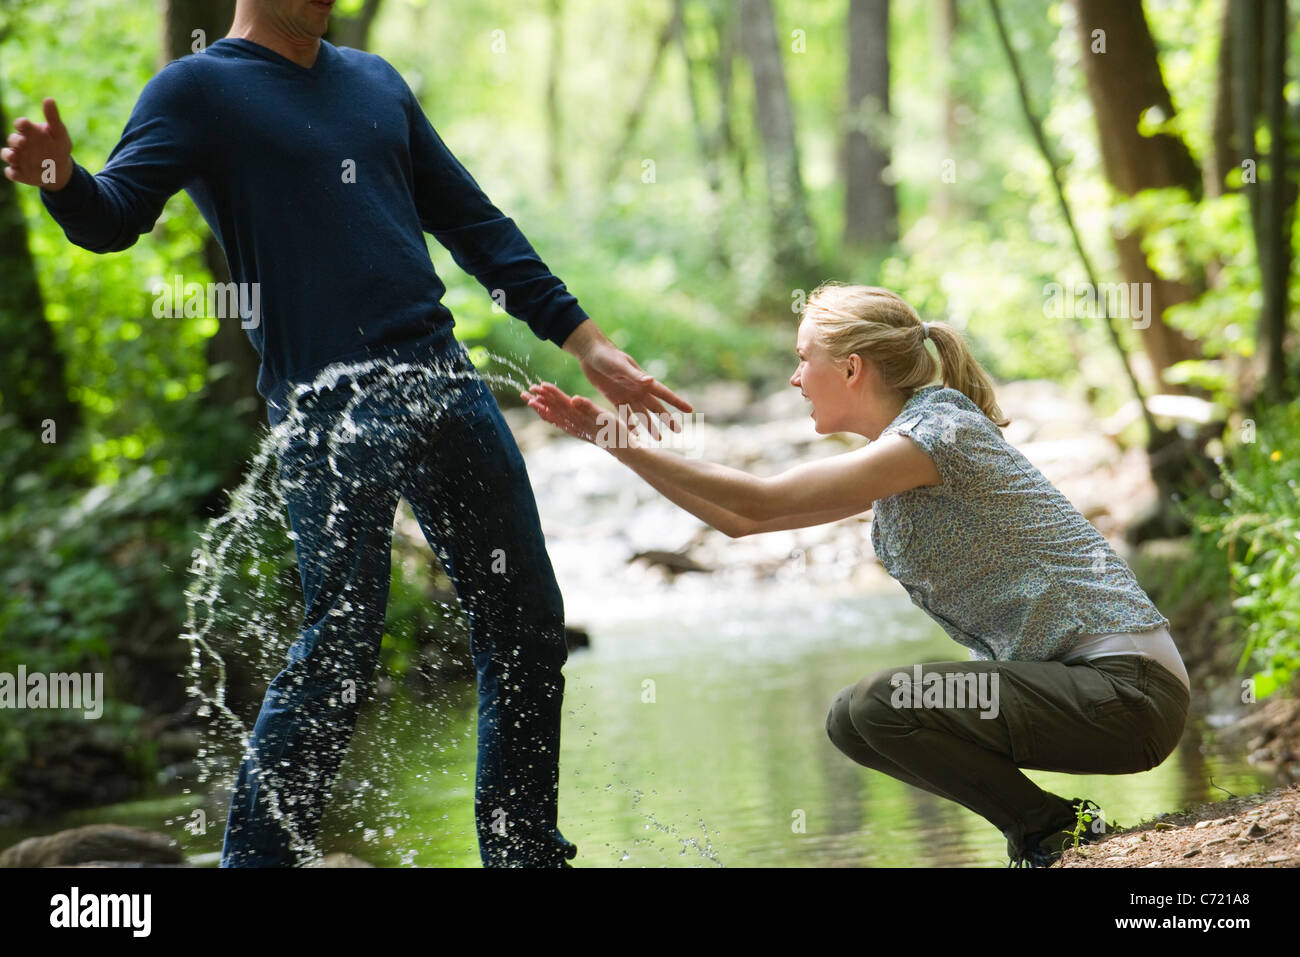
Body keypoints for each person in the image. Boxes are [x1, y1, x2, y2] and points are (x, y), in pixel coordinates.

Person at [4, 0, 690, 867]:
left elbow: (475, 225)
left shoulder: (374, 80)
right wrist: (63, 179)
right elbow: (114, 217)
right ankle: (257, 861)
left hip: (441, 380)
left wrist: (587, 341)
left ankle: (523, 853)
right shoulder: (198, 89)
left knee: (527, 621)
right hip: (325, 408)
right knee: (340, 641)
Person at [521, 282, 1190, 868]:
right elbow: (741, 523)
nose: (793, 377)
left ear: (850, 367)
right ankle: (1050, 828)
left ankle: (1051, 831)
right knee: (852, 719)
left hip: (1128, 694)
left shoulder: (938, 431)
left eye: (801, 358)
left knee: (879, 703)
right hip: (1091, 692)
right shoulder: (902, 452)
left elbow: (757, 498)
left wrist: (621, 437)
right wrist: (613, 448)